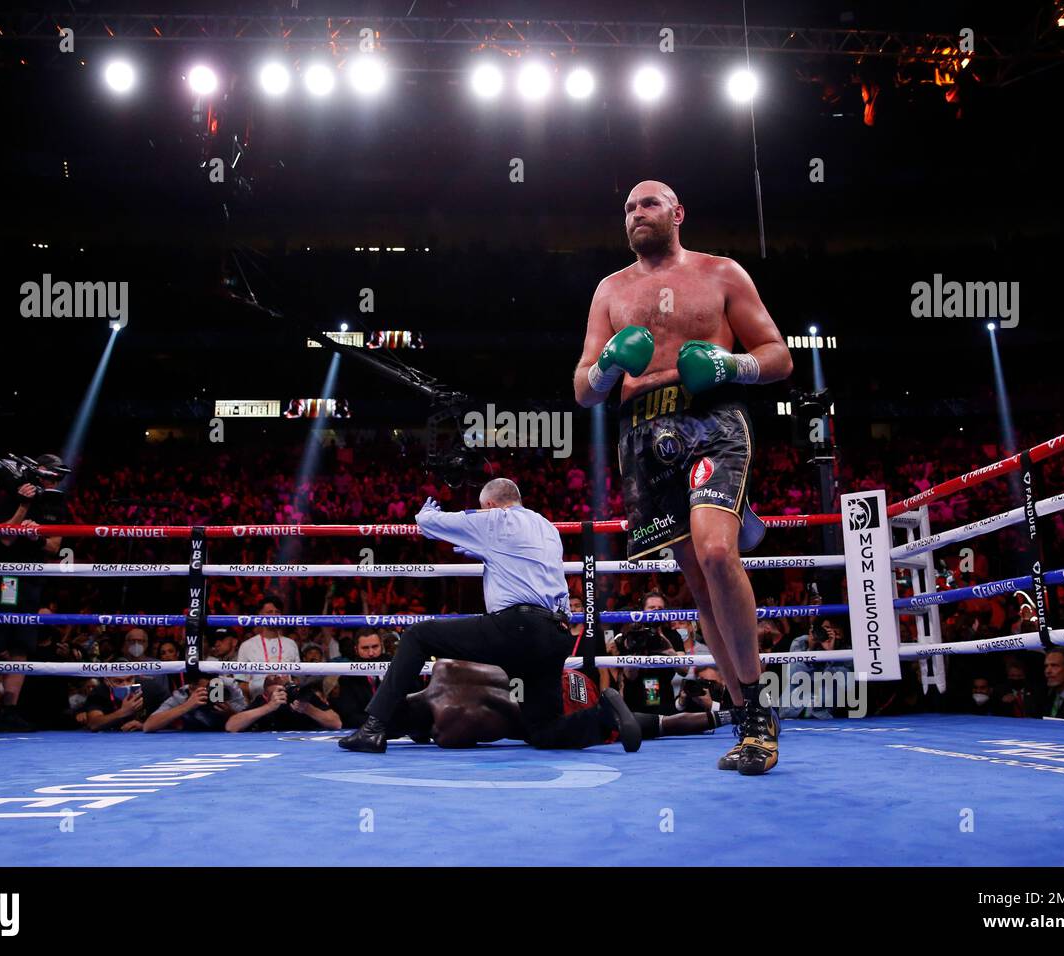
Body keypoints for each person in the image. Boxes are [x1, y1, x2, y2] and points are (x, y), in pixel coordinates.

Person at [573, 180, 793, 774]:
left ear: (677, 213)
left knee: (717, 553)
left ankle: (756, 709)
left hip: (712, 418)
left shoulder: (721, 273)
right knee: (698, 580)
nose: (635, 215)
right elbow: (583, 388)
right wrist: (610, 366)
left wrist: (727, 362)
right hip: (643, 435)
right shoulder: (610, 290)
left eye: (647, 204)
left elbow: (778, 355)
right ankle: (750, 715)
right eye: (627, 209)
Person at [339, 477, 640, 753]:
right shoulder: (545, 525)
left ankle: (373, 727)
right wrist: (486, 552)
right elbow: (522, 561)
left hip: (517, 629)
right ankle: (604, 716)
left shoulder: (495, 518)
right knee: (545, 732)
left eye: (484, 510)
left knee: (418, 636)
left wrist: (424, 513)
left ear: (491, 505)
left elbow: (430, 525)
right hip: (555, 633)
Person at [385, 659, 732, 748]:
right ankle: (734, 714)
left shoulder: (446, 728)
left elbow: (503, 728)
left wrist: (424, 733)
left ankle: (607, 713)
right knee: (657, 723)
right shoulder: (445, 666)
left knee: (538, 736)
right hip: (566, 679)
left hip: (571, 712)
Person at [0, 453, 70, 733]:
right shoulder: (11, 495)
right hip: (2, 577)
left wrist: (38, 536)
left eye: (59, 477)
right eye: (52, 475)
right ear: (39, 472)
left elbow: (54, 547)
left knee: (21, 648)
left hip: (31, 580)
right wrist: (23, 507)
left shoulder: (56, 504)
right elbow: (5, 537)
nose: (56, 481)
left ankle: (9, 712)